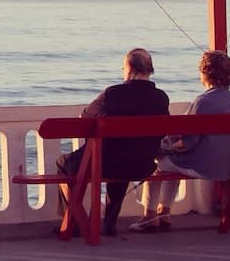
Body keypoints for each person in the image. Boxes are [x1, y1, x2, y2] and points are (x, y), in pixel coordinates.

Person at [56, 48, 170, 236]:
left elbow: (85, 117)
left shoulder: (113, 93)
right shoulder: (161, 97)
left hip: (106, 163)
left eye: (123, 67)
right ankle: (109, 224)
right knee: (123, 158)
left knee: (64, 163)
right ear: (149, 70)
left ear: (129, 69)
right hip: (142, 165)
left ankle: (73, 221)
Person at [129, 49, 230, 233]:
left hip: (202, 165)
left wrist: (167, 147)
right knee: (172, 162)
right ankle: (163, 212)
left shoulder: (203, 101)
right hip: (227, 165)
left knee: (159, 164)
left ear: (206, 73)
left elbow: (188, 142)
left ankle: (149, 217)